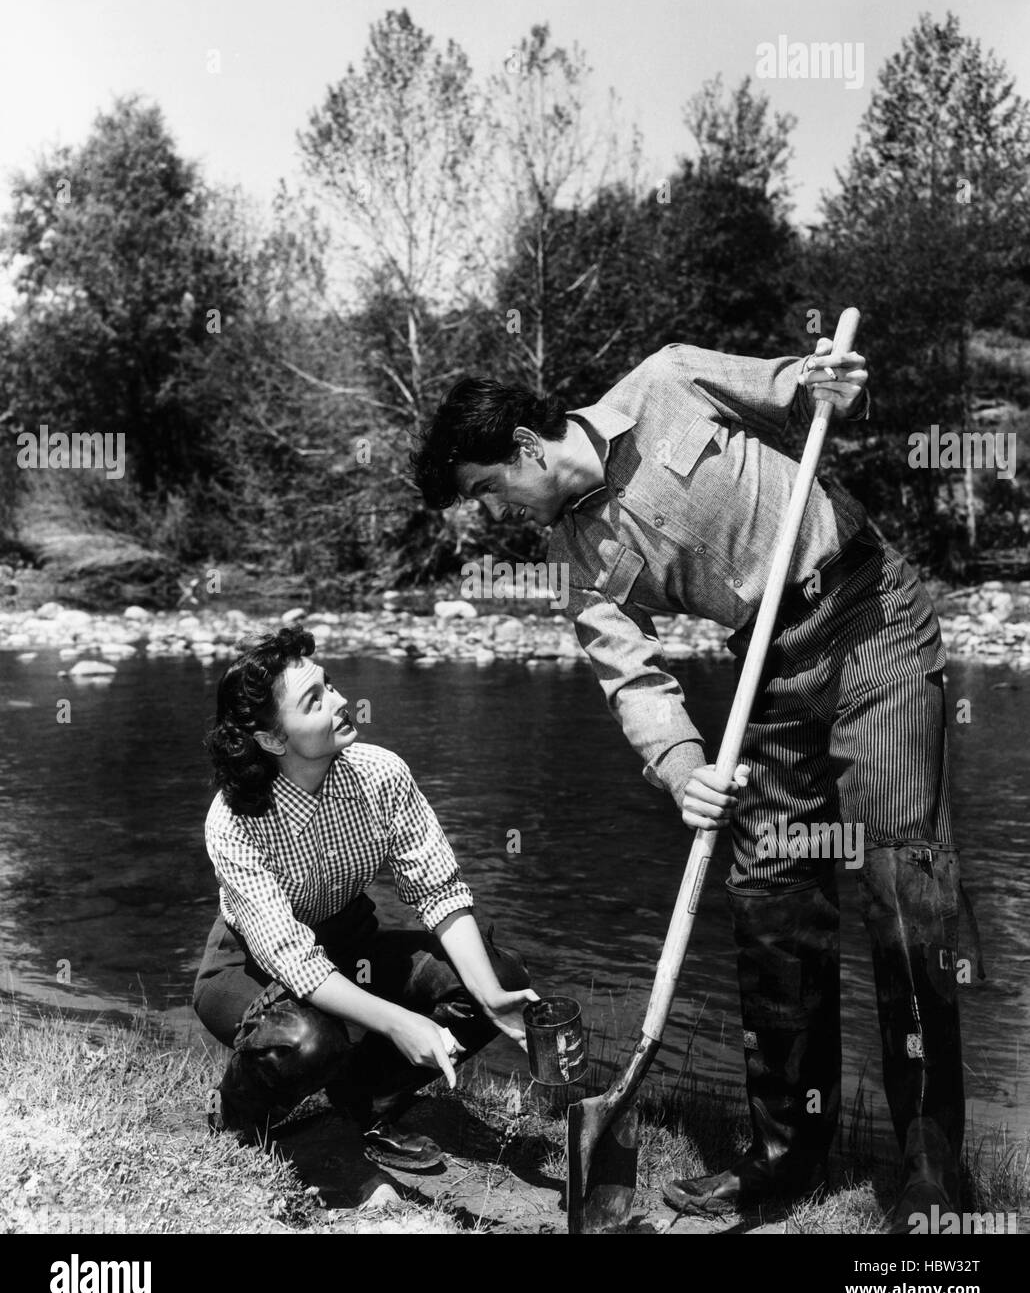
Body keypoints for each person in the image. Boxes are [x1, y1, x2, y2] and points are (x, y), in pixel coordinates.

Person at [412, 334, 969, 1233]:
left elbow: (800, 391)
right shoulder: (577, 561)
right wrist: (683, 771)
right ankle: (788, 1156)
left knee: (907, 885)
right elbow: (633, 678)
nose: (493, 509)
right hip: (770, 667)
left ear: (523, 446)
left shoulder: (669, 380)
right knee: (772, 901)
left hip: (872, 618)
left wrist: (835, 382)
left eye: (486, 487)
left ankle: (933, 1175)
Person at [193, 626, 537, 1171]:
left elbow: (438, 888)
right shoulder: (234, 819)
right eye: (315, 700)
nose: (340, 700)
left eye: (329, 684)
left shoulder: (381, 774)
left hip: (352, 943)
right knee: (308, 1041)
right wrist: (400, 1022)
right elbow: (292, 959)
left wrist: (490, 994)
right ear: (273, 739)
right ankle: (235, 1115)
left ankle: (366, 1103)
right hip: (250, 966)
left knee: (497, 978)